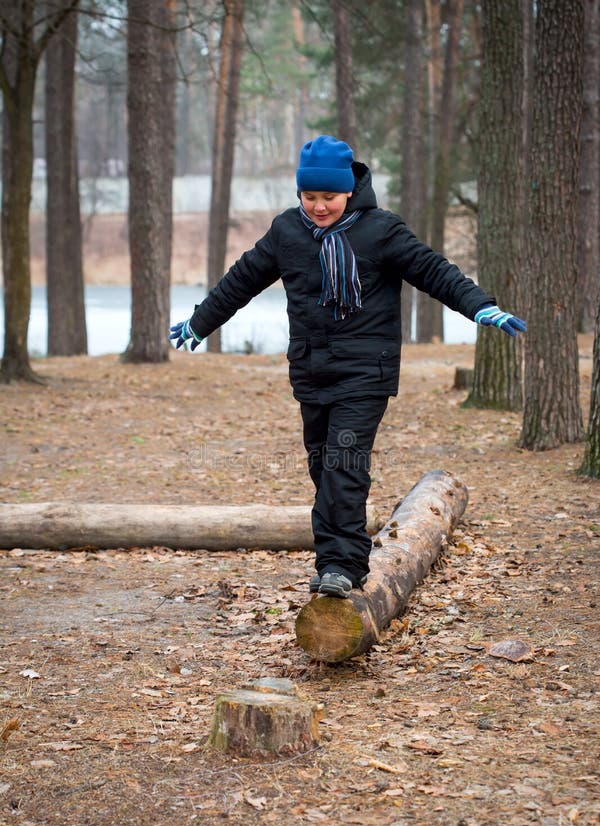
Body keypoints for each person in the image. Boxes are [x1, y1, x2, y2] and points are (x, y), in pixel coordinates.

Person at [170, 135, 526, 599]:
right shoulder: (286, 232)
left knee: (343, 464)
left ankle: (341, 565)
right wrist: (200, 322)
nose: (319, 207)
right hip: (311, 371)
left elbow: (434, 270)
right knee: (323, 467)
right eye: (310, 197)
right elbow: (241, 280)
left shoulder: (381, 230)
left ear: (349, 191)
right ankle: (340, 557)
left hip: (366, 373)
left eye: (329, 197)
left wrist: (480, 306)